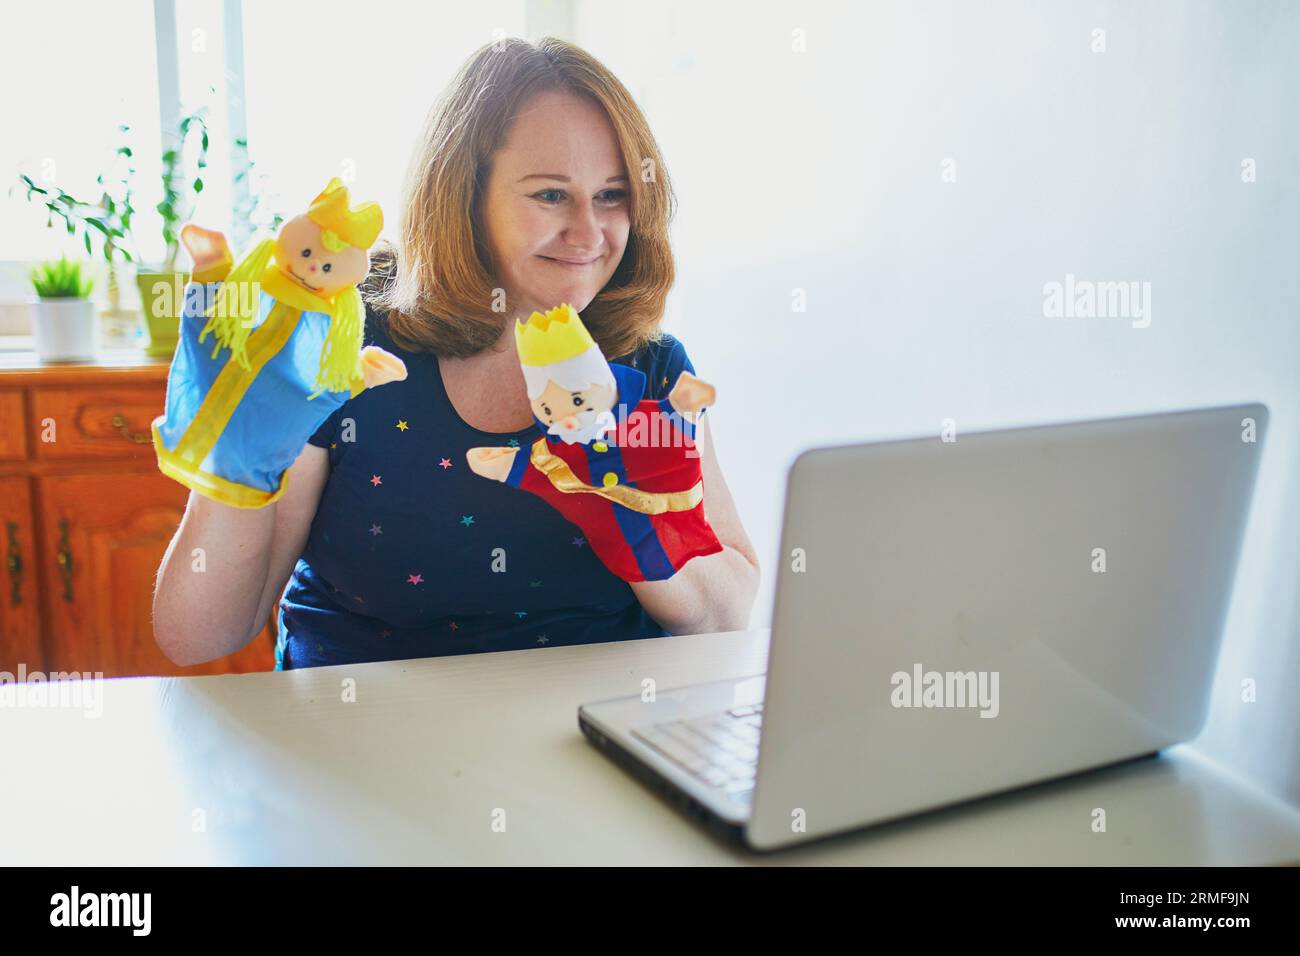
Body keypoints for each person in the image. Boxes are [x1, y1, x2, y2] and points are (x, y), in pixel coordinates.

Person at [152, 37, 760, 670]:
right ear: (465, 197)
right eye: (551, 194)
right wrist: (235, 471)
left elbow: (726, 616)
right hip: (360, 733)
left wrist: (645, 535)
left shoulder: (649, 366)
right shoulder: (348, 346)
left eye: (611, 195)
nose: (589, 233)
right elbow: (200, 638)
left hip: (594, 730)